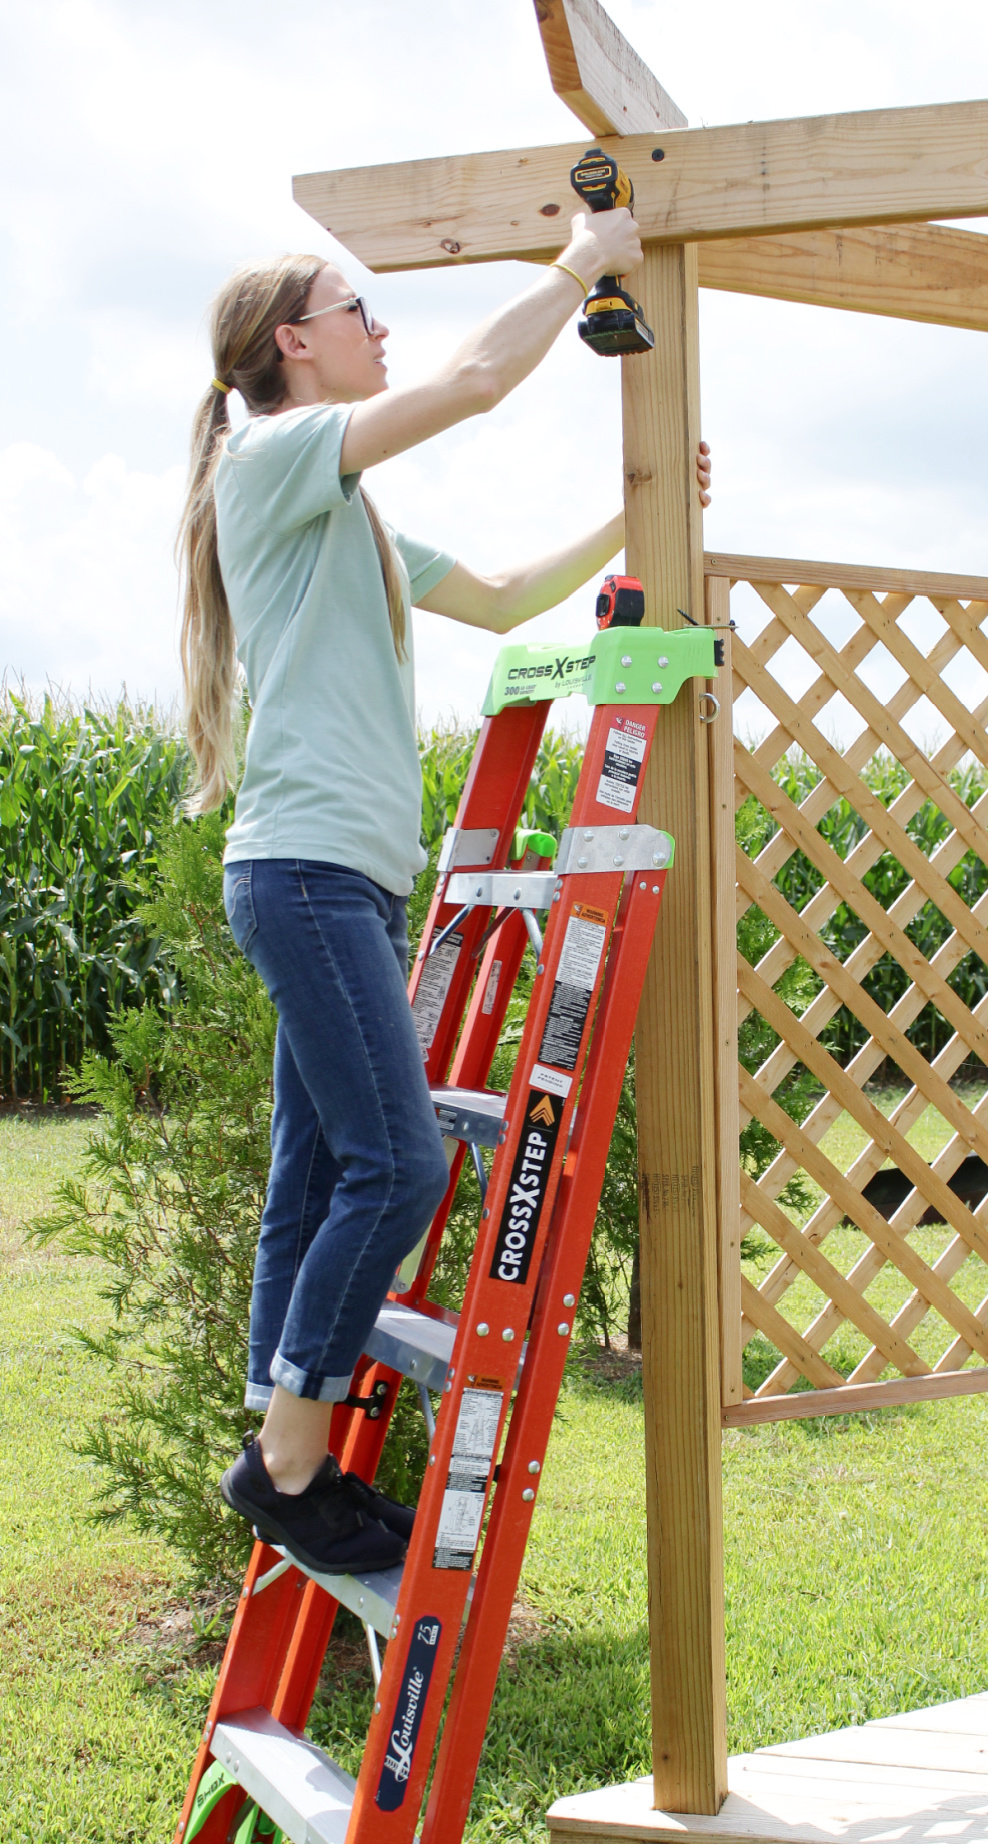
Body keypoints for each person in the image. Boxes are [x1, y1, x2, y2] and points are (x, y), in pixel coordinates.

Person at [177, 213, 713, 1579]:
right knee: (401, 1162)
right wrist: (581, 262)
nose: (381, 328)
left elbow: (503, 594)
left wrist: (646, 511)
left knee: (318, 1165)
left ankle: (278, 1419)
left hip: (335, 877)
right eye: (356, 309)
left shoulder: (344, 513)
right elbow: (475, 383)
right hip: (302, 872)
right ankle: (289, 1463)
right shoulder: (275, 453)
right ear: (293, 343)